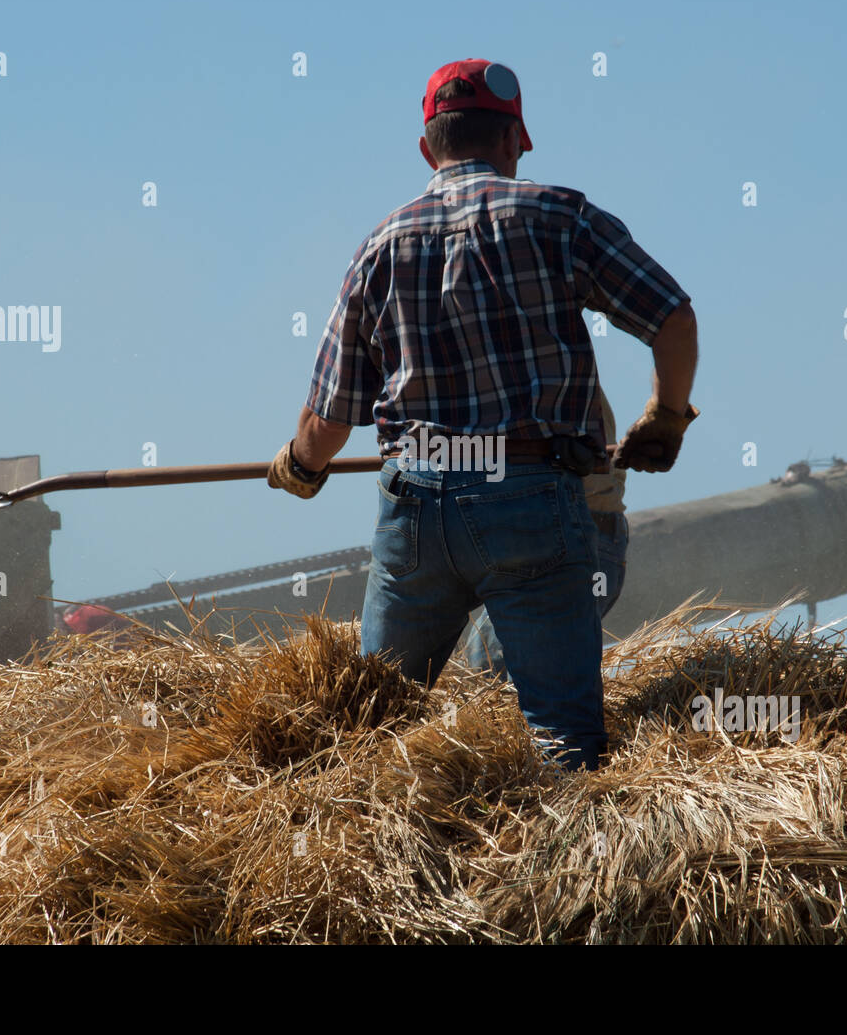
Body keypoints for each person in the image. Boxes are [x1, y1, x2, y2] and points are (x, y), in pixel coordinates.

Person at [269, 58, 699, 770]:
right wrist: (666, 416)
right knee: (562, 740)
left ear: (427, 148)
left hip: (416, 506)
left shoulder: (379, 246)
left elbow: (329, 416)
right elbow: (672, 316)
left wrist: (300, 466)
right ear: (514, 143)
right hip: (532, 495)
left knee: (366, 725)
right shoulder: (560, 216)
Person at [462, 385, 628, 674]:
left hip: (572, 535)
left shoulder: (534, 371)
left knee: (491, 666)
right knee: (493, 665)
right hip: (586, 533)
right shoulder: (555, 365)